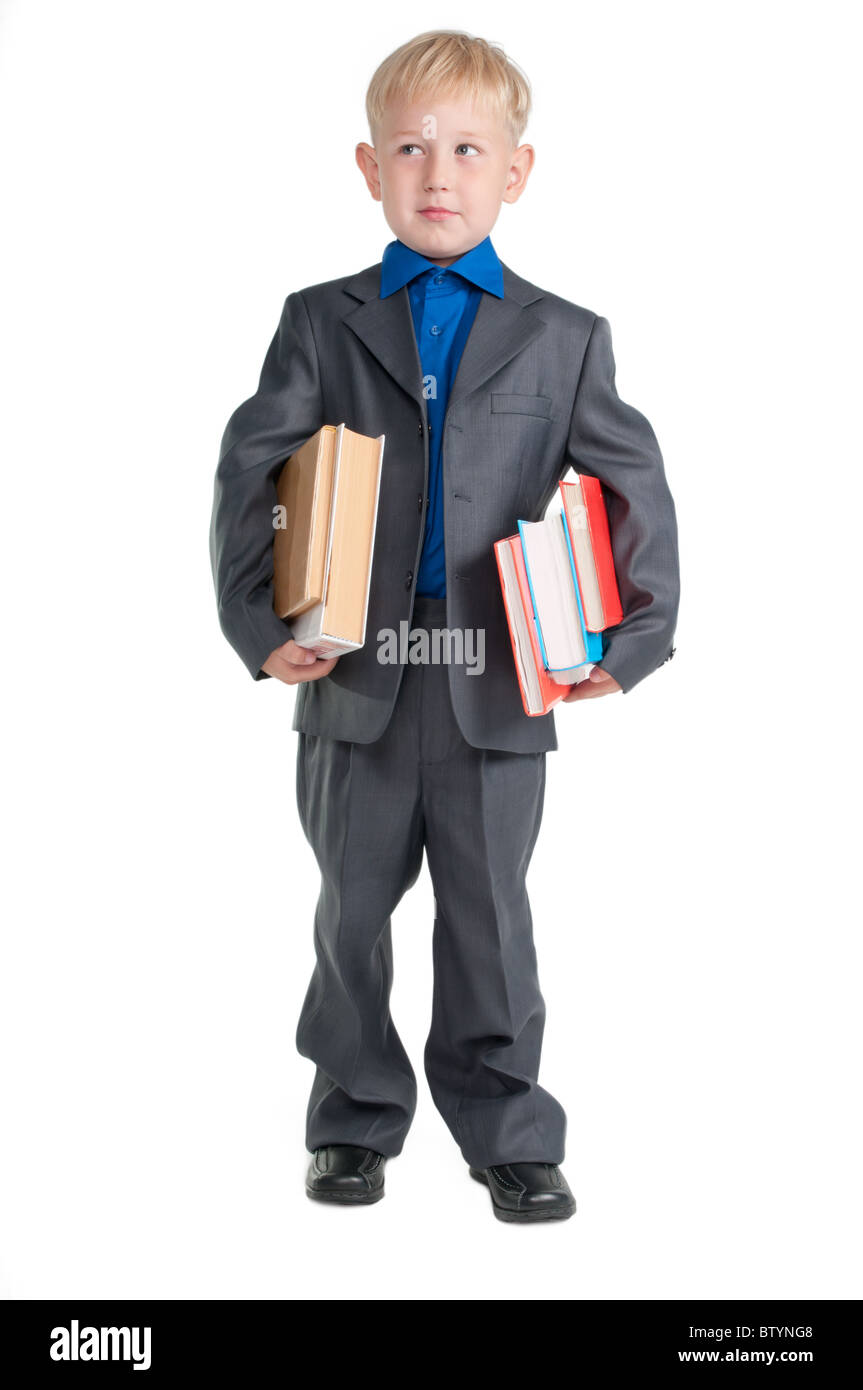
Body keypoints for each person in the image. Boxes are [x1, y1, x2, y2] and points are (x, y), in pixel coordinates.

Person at [209, 29, 680, 1223]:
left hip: (496, 675)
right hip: (351, 671)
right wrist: (263, 625)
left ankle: (507, 1125)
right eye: (410, 148)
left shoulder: (563, 334)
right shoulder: (321, 320)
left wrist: (628, 644)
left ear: (513, 172)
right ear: (367, 168)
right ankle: (352, 1118)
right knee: (350, 910)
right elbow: (250, 468)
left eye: (467, 149)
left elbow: (632, 484)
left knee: (488, 917)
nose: (437, 174)